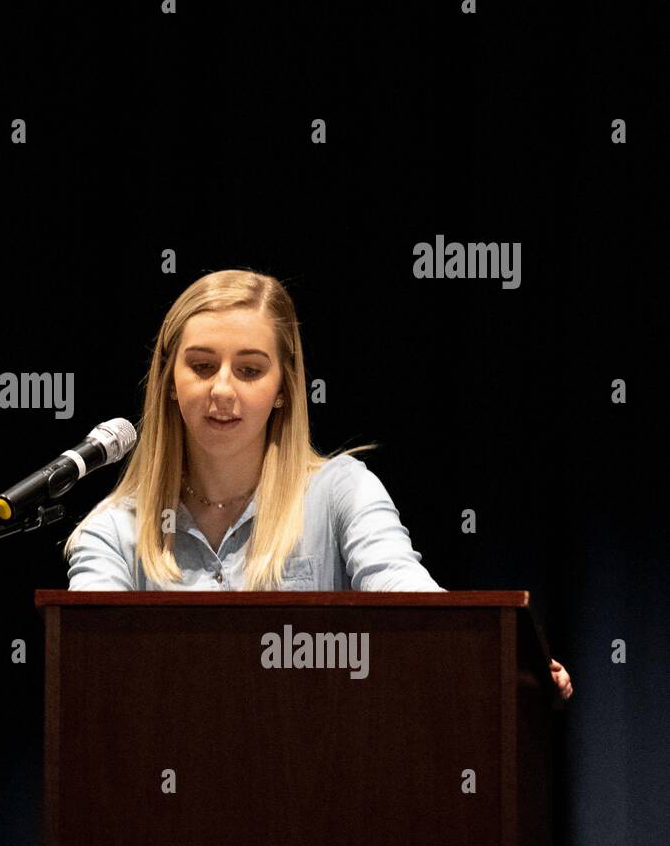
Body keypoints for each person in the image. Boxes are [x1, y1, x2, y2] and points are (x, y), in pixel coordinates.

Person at [63, 268, 573, 700]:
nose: (222, 389)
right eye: (201, 366)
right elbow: (90, 667)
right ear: (169, 383)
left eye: (249, 369)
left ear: (282, 388)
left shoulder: (340, 492)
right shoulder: (113, 529)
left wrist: (493, 656)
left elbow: (408, 596)